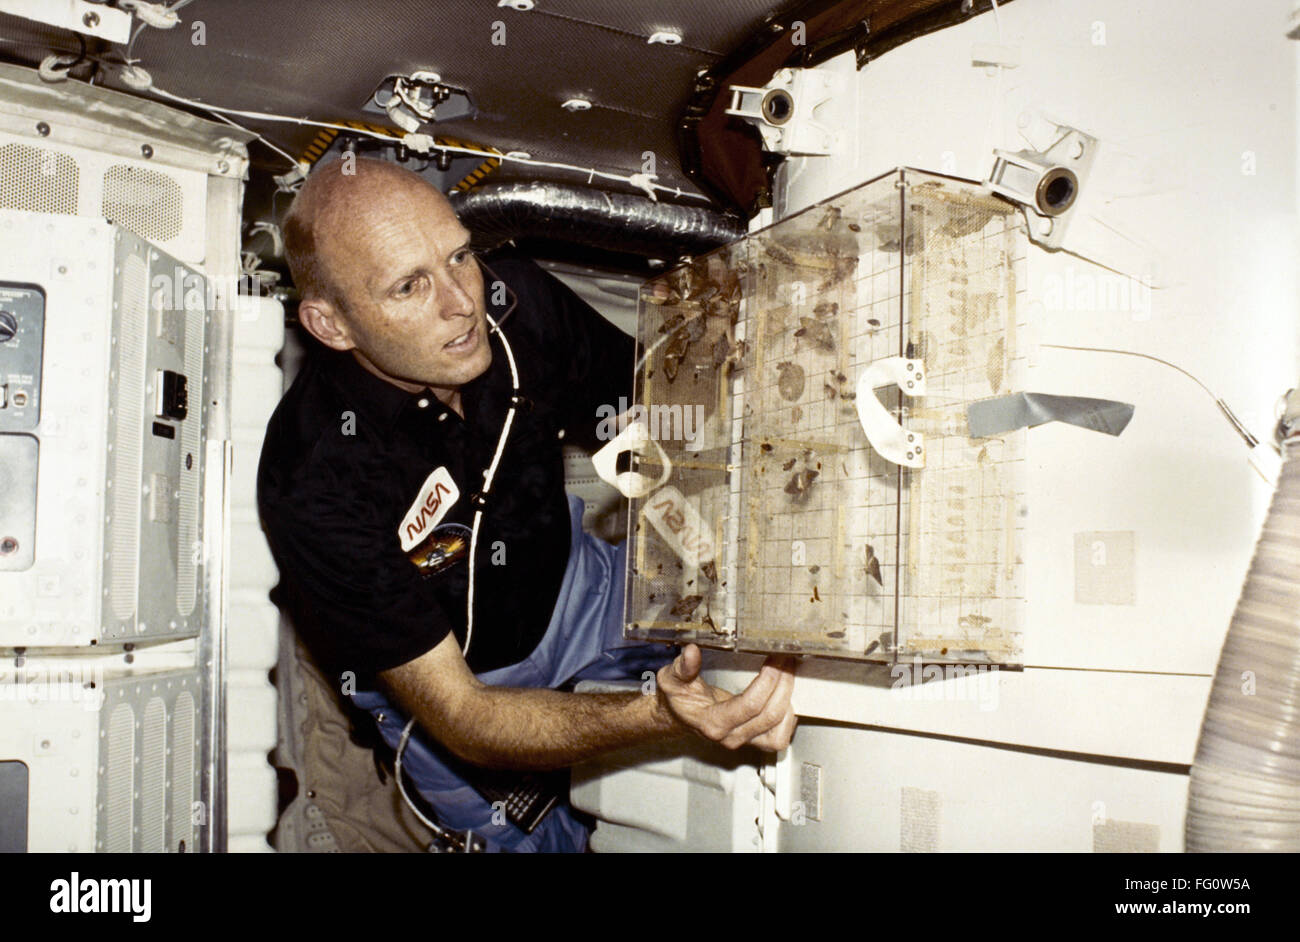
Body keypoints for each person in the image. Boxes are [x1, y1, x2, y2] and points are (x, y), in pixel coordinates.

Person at [257, 156, 797, 852]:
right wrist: (655, 715)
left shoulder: (517, 304)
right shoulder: (313, 476)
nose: (461, 304)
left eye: (459, 256)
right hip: (459, 679)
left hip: (578, 583)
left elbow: (644, 419)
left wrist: (712, 526)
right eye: (409, 287)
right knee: (544, 842)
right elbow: (464, 717)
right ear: (332, 325)